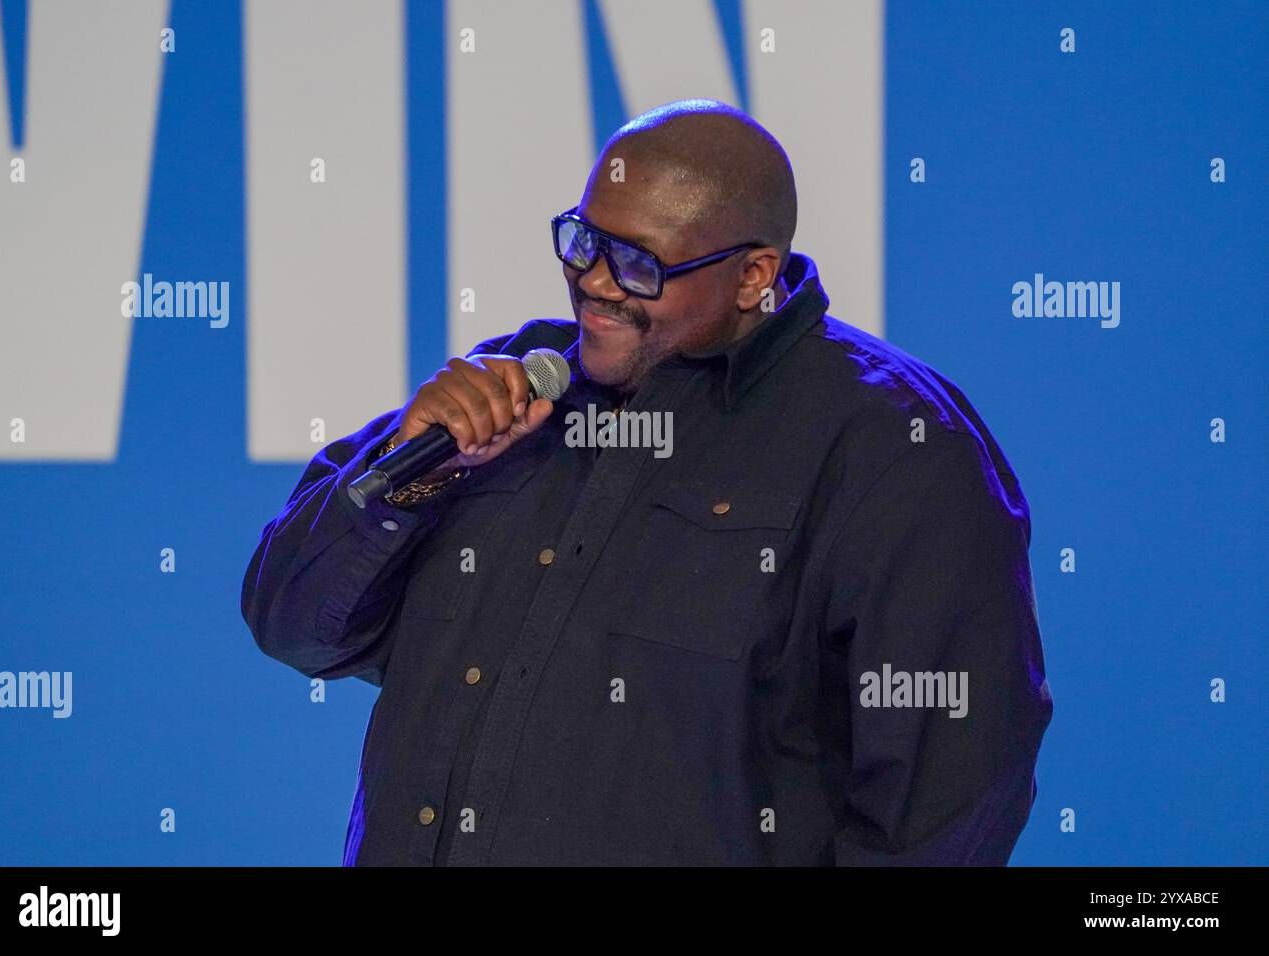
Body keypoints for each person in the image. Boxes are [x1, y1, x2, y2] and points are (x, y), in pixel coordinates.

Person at [241, 98, 1053, 866]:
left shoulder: (896, 447)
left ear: (752, 275)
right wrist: (410, 479)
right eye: (584, 240)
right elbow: (292, 629)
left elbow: (949, 793)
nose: (593, 279)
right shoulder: (518, 386)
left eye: (636, 263)